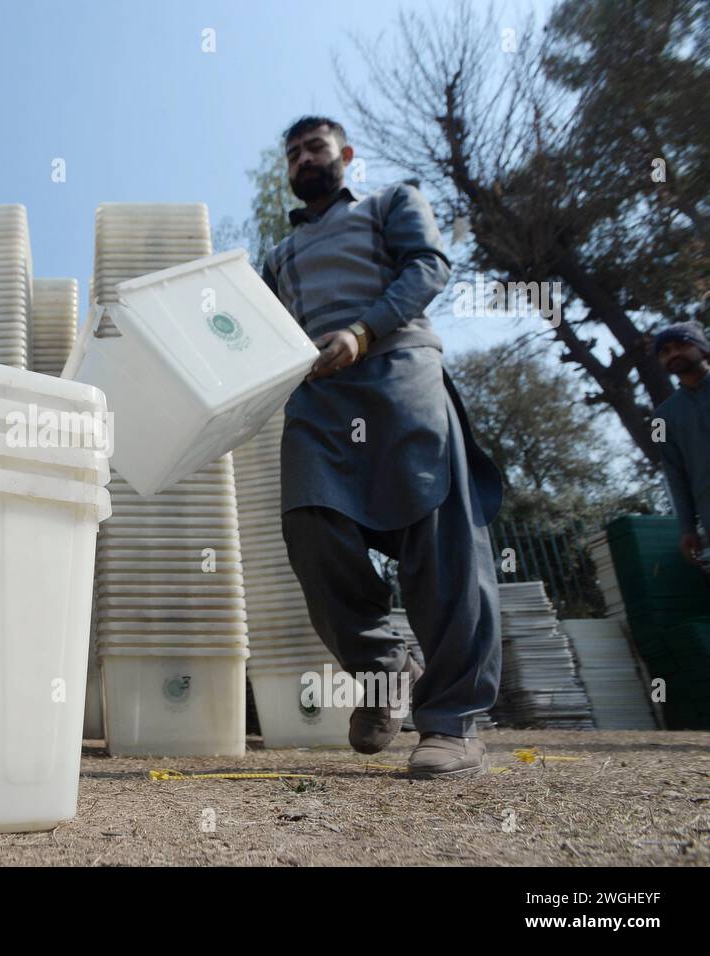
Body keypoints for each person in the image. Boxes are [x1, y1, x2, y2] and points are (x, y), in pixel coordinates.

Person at [260, 116, 504, 778]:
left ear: (345, 154)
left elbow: (430, 265)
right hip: (317, 400)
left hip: (398, 372)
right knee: (310, 530)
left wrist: (363, 333)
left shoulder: (392, 202)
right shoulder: (276, 258)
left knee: (437, 538)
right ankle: (387, 669)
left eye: (315, 147)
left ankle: (453, 722)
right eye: (292, 153)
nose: (303, 159)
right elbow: (257, 334)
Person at [652, 321, 710, 567]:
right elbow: (673, 472)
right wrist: (687, 528)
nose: (673, 354)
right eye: (664, 351)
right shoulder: (660, 418)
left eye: (682, 345)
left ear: (703, 349)